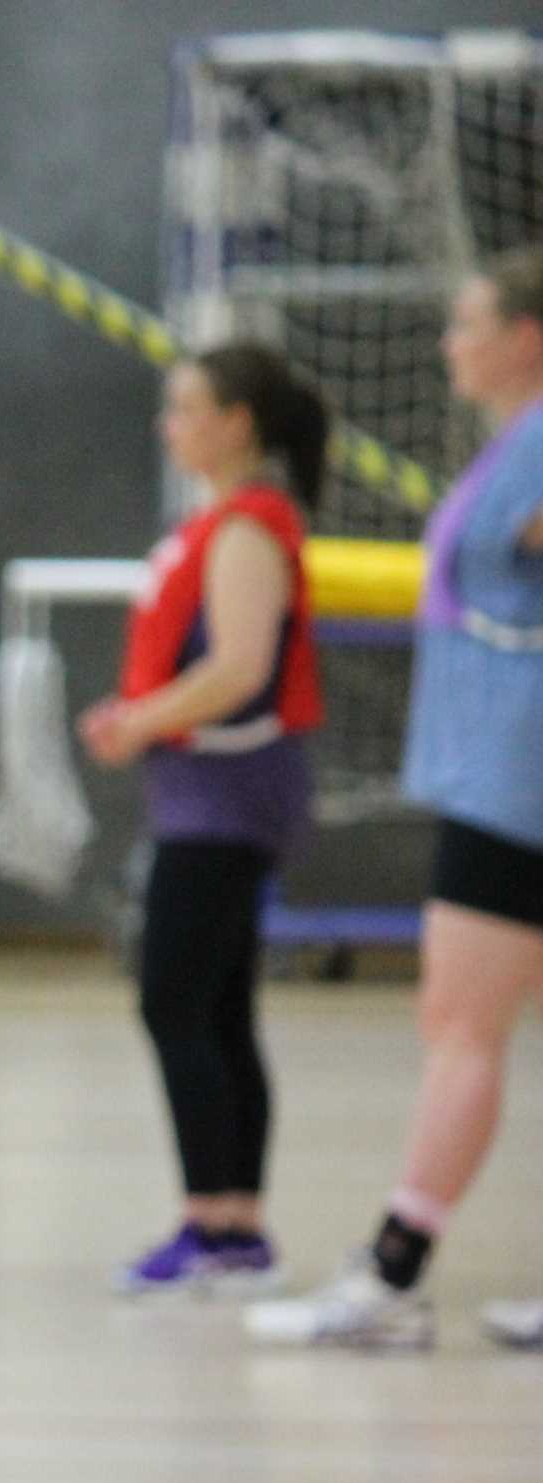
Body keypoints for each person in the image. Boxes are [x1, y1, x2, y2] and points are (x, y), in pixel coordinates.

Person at [249, 247, 543, 1353]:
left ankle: (392, 1276)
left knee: (459, 1026)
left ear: (526, 337)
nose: (448, 344)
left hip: (516, 781)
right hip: (499, 770)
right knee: (465, 1025)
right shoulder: (513, 445)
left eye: (468, 324)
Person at [75, 343, 330, 1296]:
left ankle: (214, 1225)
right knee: (216, 1006)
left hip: (228, 796)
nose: (168, 426)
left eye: (186, 408)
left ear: (236, 423)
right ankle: (235, 1227)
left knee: (173, 998)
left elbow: (239, 667)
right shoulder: (220, 522)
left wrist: (140, 720)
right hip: (205, 791)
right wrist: (138, 712)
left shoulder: (249, 527)